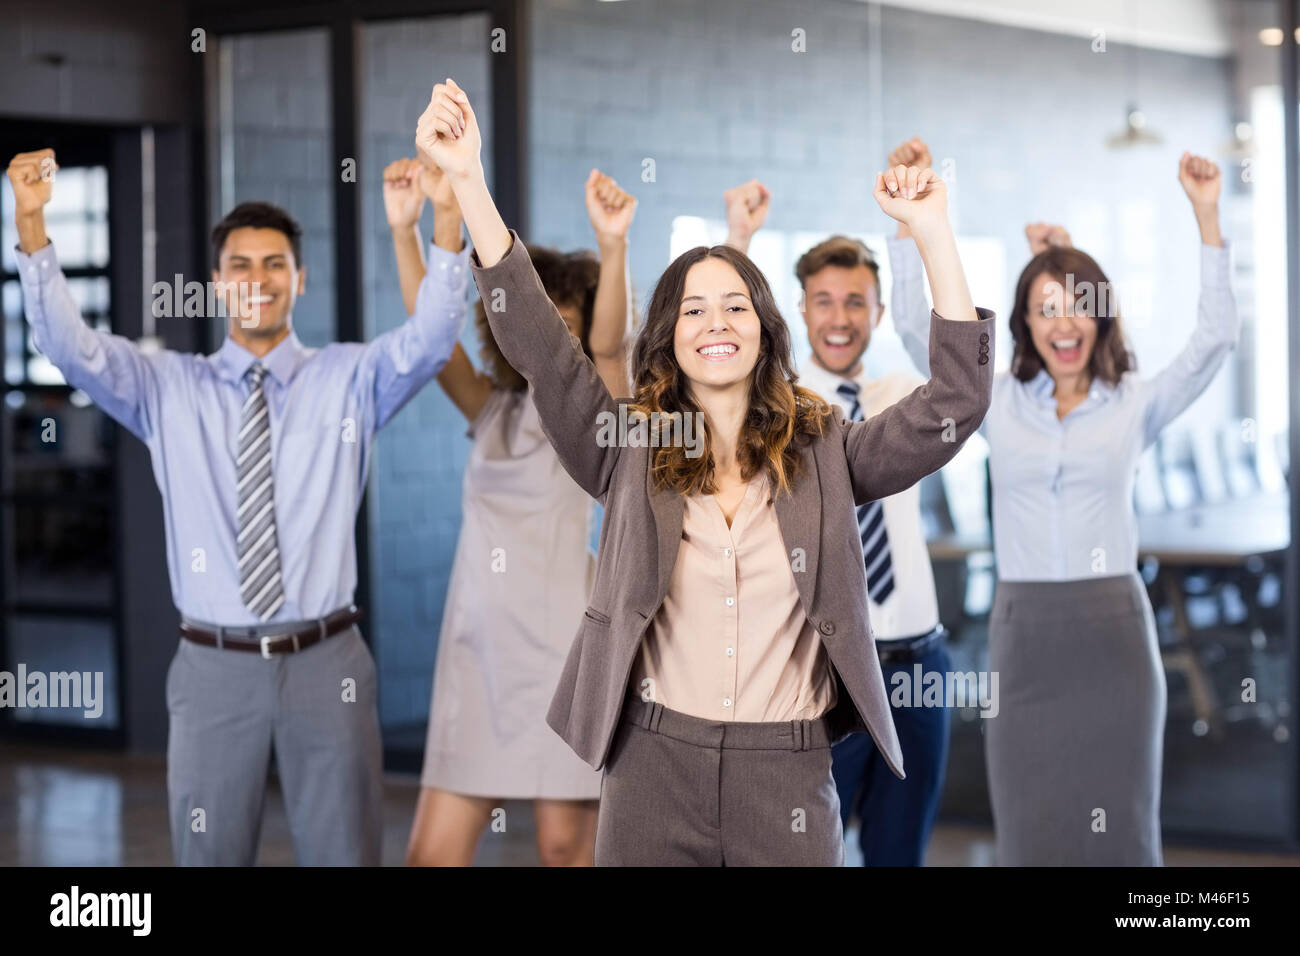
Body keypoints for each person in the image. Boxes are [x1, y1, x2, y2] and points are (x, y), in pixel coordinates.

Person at [415, 78, 994, 865]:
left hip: (786, 772)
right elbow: (545, 352)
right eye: (693, 308)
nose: (715, 321)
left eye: (735, 306)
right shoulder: (628, 448)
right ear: (669, 336)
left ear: (765, 330)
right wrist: (469, 182)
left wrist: (932, 230)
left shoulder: (827, 448)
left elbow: (957, 400)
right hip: (651, 766)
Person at [6, 143, 467, 865]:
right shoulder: (165, 386)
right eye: (241, 265)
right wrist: (32, 226)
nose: (259, 279)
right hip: (212, 668)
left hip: (328, 663)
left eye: (275, 264)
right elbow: (72, 349)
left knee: (346, 856)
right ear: (217, 283)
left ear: (299, 280)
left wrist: (444, 215)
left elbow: (433, 341)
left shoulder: (349, 378)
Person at [891, 145, 1239, 865]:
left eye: (1079, 306)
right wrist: (908, 224)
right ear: (1025, 323)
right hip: (1023, 635)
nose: (1065, 323)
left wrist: (1207, 216)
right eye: (1046, 309)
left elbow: (1214, 340)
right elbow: (914, 329)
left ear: (1101, 317)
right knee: (1029, 826)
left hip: (1114, 636)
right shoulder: (996, 402)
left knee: (1123, 828)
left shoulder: (1134, 402)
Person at [381, 156, 635, 866]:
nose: (550, 329)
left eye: (565, 317)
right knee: (430, 857)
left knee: (564, 849)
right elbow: (433, 344)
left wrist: (613, 245)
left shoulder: (594, 417)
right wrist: (407, 230)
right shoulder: (491, 409)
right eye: (535, 314)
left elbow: (611, 347)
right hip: (478, 652)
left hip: (565, 651)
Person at [723, 165, 953, 866]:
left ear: (878, 313)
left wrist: (913, 227)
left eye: (856, 302)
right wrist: (739, 238)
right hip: (826, 667)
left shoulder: (903, 394)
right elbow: (724, 346)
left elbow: (948, 356)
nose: (840, 318)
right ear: (800, 311)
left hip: (920, 663)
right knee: (806, 850)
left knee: (899, 853)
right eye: (823, 301)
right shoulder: (778, 409)